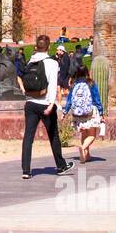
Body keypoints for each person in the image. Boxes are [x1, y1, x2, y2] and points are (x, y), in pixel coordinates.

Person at [18, 35, 75, 180]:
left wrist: (25, 93)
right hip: (45, 104)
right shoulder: (52, 62)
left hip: (30, 103)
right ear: (49, 47)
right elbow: (52, 84)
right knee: (53, 135)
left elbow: (22, 77)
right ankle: (61, 165)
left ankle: (26, 170)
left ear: (36, 47)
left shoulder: (31, 60)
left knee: (28, 137)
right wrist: (51, 104)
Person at [64, 65, 104, 164]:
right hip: (90, 112)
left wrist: (65, 111)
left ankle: (87, 155)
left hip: (78, 113)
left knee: (84, 133)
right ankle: (83, 147)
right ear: (87, 72)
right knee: (92, 135)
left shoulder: (74, 84)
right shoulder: (90, 83)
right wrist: (101, 112)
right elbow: (96, 99)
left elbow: (69, 100)